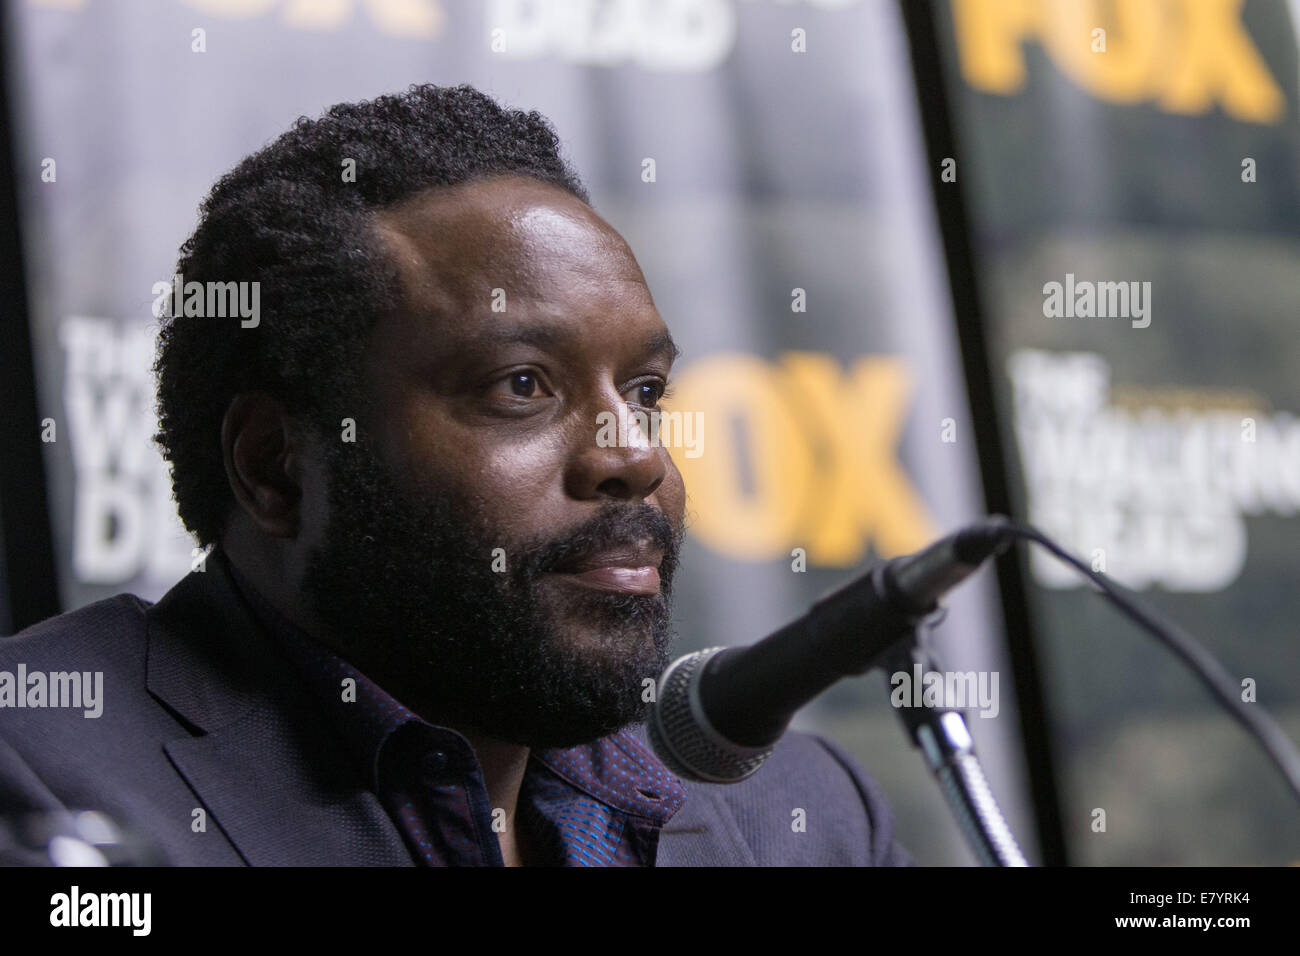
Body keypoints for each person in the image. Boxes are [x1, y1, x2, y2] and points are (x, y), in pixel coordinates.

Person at [0, 83, 911, 867]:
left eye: (645, 391)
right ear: (274, 467)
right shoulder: (38, 762)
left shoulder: (806, 814)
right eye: (521, 386)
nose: (634, 456)